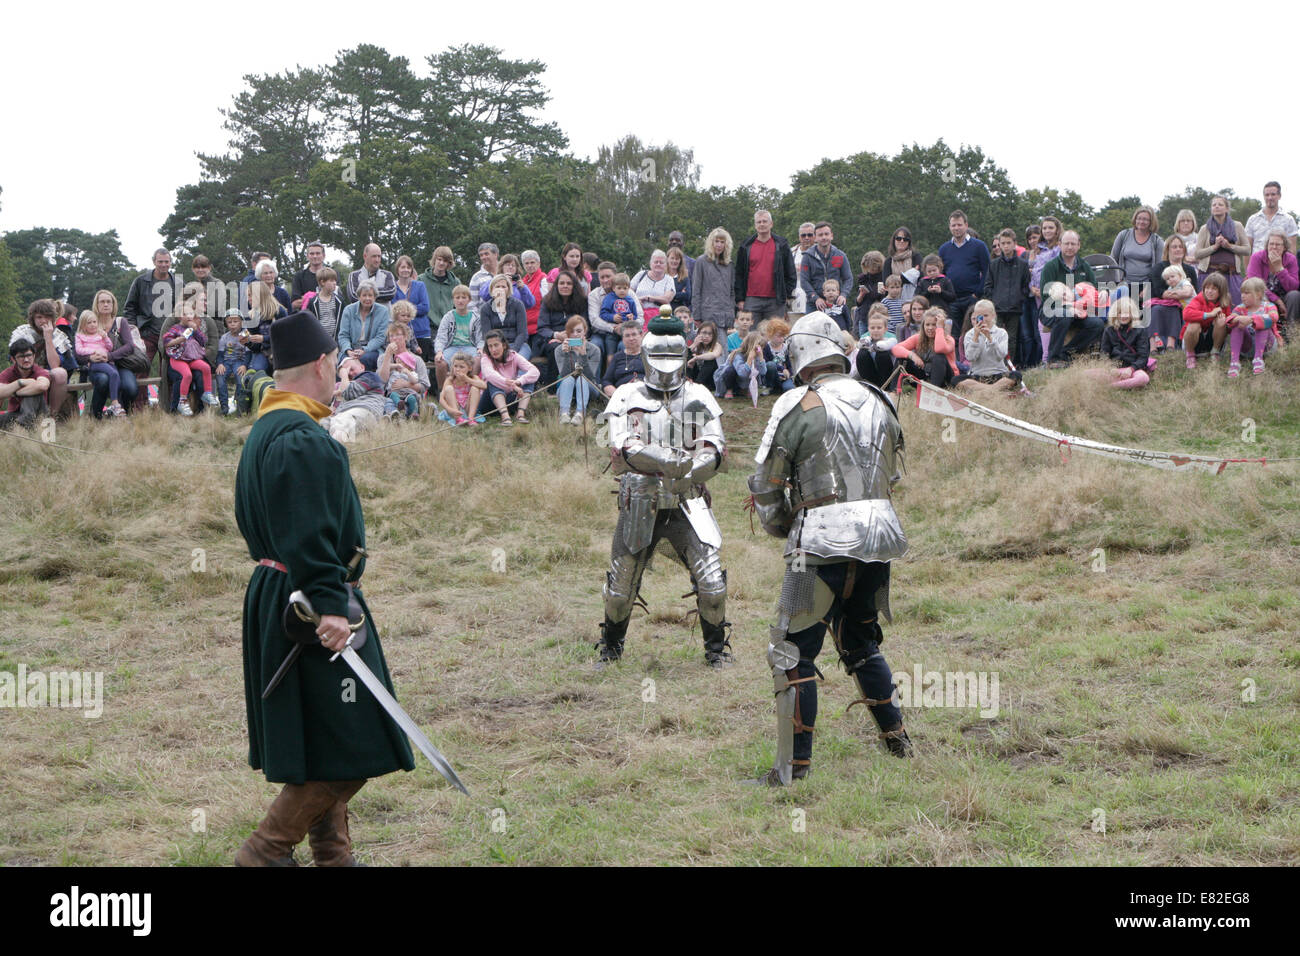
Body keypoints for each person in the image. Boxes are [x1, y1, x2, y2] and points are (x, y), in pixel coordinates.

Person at [234, 311, 415, 865]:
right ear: (320, 363)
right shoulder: (300, 440)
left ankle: (334, 856)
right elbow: (309, 534)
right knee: (357, 735)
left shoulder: (268, 427)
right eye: (335, 363)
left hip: (282, 593)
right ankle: (264, 854)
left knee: (324, 738)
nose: (336, 372)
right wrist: (333, 605)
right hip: (309, 606)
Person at [747, 311, 911, 787]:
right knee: (860, 640)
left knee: (791, 651)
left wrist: (781, 526)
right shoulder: (880, 398)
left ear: (800, 355)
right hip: (879, 539)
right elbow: (893, 476)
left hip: (815, 546)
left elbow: (765, 484)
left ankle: (790, 771)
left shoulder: (797, 402)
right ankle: (898, 743)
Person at [595, 315, 730, 668]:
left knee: (713, 583)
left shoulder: (698, 394)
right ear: (646, 357)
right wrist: (671, 461)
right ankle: (611, 647)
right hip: (640, 500)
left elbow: (716, 447)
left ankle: (716, 651)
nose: (667, 368)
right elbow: (623, 446)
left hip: (689, 501)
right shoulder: (627, 394)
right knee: (621, 587)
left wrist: (693, 467)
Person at [1040, 231, 1103, 365]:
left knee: (1096, 324)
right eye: (1066, 243)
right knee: (1065, 315)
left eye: (1073, 244)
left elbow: (1094, 289)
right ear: (1059, 245)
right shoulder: (1050, 267)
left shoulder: (1084, 266)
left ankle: (1066, 353)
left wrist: (1101, 295)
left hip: (1080, 311)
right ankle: (1053, 359)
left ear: (1079, 245)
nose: (1069, 247)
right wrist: (1068, 307)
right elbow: (1046, 297)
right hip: (1051, 310)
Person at [10, 299, 76, 419]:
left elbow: (55, 365)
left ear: (52, 318)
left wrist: (48, 338)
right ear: (33, 319)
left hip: (47, 374)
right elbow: (16, 362)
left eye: (47, 317)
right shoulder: (22, 333)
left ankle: (52, 416)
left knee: (61, 373)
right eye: (39, 317)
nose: (43, 321)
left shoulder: (58, 335)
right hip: (25, 374)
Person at [123, 248, 184, 377]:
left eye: (166, 262)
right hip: (146, 332)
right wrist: (133, 331)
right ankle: (141, 398)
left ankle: (168, 398)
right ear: (154, 262)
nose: (163, 265)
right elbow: (129, 308)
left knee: (170, 372)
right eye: (160, 261)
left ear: (171, 263)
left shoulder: (178, 283)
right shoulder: (140, 281)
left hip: (171, 334)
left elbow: (186, 309)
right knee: (141, 368)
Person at [83, 289, 144, 417]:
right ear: (96, 305)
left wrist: (110, 356)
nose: (105, 304)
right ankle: (96, 416)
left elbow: (129, 346)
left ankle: (122, 415)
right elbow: (78, 348)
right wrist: (90, 357)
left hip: (121, 364)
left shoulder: (121, 322)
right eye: (102, 302)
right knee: (103, 380)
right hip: (98, 366)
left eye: (108, 302)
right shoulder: (90, 322)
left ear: (113, 304)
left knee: (131, 388)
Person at [734, 209, 797, 321]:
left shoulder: (781, 245)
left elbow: (790, 272)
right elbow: (739, 274)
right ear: (755, 225)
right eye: (759, 222)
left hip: (776, 300)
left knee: (774, 336)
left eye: (765, 221)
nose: (762, 224)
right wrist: (740, 299)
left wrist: (786, 294)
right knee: (752, 336)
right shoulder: (745, 246)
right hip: (751, 299)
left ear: (771, 224)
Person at [983, 228, 1031, 368]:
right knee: (995, 336)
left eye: (1008, 243)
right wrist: (994, 300)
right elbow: (988, 285)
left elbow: (1026, 285)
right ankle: (995, 365)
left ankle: (1010, 365)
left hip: (1015, 308)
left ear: (1014, 243)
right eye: (1003, 243)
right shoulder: (994, 264)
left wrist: (1019, 298)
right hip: (997, 308)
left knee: (1012, 339)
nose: (1005, 246)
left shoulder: (1022, 264)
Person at [162, 300, 219, 415]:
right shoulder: (175, 328)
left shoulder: (193, 329)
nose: (188, 316)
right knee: (187, 375)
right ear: (179, 316)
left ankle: (207, 393)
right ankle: (182, 401)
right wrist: (180, 339)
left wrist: (196, 330)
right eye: (185, 314)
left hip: (191, 358)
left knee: (206, 367)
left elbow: (203, 341)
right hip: (178, 359)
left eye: (190, 314)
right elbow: (166, 341)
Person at [954, 300, 1021, 397]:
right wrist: (975, 337)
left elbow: (1001, 355)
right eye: (980, 316)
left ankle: (983, 392)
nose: (983, 319)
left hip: (998, 373)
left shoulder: (1001, 332)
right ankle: (994, 391)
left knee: (1016, 375)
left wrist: (990, 338)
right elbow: (970, 357)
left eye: (986, 316)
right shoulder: (970, 334)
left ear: (993, 315)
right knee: (956, 380)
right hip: (978, 375)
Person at [938, 210, 990, 332]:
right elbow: (941, 274)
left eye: (959, 224)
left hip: (972, 298)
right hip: (952, 300)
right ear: (949, 227)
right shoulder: (944, 249)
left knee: (975, 331)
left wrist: (977, 293)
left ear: (966, 225)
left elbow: (987, 270)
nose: (957, 228)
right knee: (953, 334)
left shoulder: (979, 246)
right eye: (953, 225)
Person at [1147, 236, 1198, 354]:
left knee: (1176, 310)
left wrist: (1174, 294)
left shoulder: (1189, 270)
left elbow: (1194, 291)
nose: (1178, 249)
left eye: (1180, 247)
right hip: (1163, 305)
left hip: (1186, 306)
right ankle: (1155, 345)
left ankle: (1173, 345)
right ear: (1167, 250)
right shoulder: (1159, 268)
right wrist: (1182, 294)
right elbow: (1159, 292)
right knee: (1157, 309)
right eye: (1174, 247)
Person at [1194, 196, 1249, 304]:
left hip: (1231, 275)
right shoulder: (1205, 229)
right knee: (1207, 306)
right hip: (1208, 274)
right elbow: (1197, 254)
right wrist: (1214, 247)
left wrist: (1229, 246)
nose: (1216, 207)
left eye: (1220, 204)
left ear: (1227, 209)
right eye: (1214, 205)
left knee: (1233, 305)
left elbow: (1247, 250)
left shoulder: (1237, 226)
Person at [1088, 298, 1151, 389]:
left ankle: (1111, 387)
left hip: (1133, 370)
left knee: (1143, 378)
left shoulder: (1140, 330)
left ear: (1132, 314)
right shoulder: (1109, 330)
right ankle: (1124, 383)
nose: (1123, 316)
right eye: (1120, 313)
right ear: (1115, 314)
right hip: (1113, 371)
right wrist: (1110, 368)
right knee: (1085, 374)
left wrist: (1131, 369)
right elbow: (1104, 354)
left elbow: (1143, 357)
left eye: (1127, 313)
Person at [1245, 231, 1300, 335]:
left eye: (1278, 244)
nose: (1274, 247)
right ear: (1267, 245)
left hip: (1285, 296)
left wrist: (1280, 269)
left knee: (1295, 295)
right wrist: (1277, 301)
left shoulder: (1291, 259)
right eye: (1271, 244)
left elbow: (1294, 286)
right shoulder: (1257, 257)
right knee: (1260, 295)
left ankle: (1291, 333)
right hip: (1263, 295)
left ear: (1284, 247)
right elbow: (1255, 285)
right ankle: (1264, 333)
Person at [479, 328, 538, 425]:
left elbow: (535, 371)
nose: (493, 350)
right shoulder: (485, 358)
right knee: (492, 382)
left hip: (510, 399)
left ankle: (520, 414)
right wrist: (513, 386)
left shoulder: (514, 356)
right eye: (490, 346)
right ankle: (505, 417)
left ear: (504, 345)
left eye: (496, 345)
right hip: (489, 403)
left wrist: (519, 381)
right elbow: (490, 375)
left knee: (529, 380)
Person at [535, 270, 588, 379]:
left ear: (574, 286)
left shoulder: (582, 301)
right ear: (556, 285)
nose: (565, 286)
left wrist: (571, 337)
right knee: (555, 347)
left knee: (584, 346)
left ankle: (582, 381)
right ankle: (552, 387)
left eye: (569, 283)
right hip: (552, 338)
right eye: (562, 283)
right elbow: (542, 327)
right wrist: (556, 335)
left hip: (576, 337)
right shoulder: (547, 301)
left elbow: (586, 325)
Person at [74, 310, 126, 417]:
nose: (93, 325)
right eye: (89, 323)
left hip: (107, 361)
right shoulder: (80, 336)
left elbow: (110, 347)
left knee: (117, 378)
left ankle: (116, 408)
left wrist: (105, 337)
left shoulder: (100, 334)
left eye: (94, 322)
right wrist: (94, 352)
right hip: (96, 363)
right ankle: (115, 403)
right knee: (114, 374)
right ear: (83, 325)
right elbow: (79, 350)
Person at [891, 306, 957, 387]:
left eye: (934, 325)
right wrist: (912, 355)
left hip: (946, 378)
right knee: (901, 358)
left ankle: (933, 391)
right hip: (924, 375)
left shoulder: (949, 339)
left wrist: (940, 328)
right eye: (927, 325)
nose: (930, 328)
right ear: (923, 326)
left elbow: (940, 349)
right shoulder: (917, 338)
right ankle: (894, 391)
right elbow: (895, 348)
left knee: (939, 357)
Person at [590, 262, 642, 363]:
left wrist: (628, 323)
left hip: (625, 331)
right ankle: (594, 379)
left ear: (615, 276)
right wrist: (613, 328)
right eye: (602, 277)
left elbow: (640, 316)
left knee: (624, 345)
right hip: (601, 332)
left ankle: (625, 377)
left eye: (608, 276)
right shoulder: (594, 295)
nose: (605, 280)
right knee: (595, 345)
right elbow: (594, 320)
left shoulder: (629, 293)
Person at [433, 284, 482, 392]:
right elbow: (441, 337)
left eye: (464, 298)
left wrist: (480, 348)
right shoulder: (448, 316)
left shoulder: (476, 317)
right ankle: (443, 390)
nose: (460, 301)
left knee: (478, 359)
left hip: (470, 346)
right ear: (453, 300)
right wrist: (439, 351)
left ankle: (469, 389)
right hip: (452, 347)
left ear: (469, 300)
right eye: (457, 297)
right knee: (440, 361)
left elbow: (480, 337)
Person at [554, 314, 601, 425]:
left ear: (585, 331)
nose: (575, 335)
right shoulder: (559, 350)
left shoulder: (594, 350)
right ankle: (564, 414)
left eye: (579, 331)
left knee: (581, 379)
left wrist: (583, 354)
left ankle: (580, 413)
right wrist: (566, 355)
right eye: (572, 331)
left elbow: (590, 377)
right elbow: (564, 375)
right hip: (566, 387)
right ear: (567, 333)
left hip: (589, 387)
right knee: (568, 379)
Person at [1226, 277, 1279, 377]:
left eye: (1247, 293)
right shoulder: (1240, 308)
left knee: (1263, 321)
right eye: (1242, 293)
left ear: (1258, 294)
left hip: (1267, 346)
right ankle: (1234, 362)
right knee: (1238, 325)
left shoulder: (1268, 306)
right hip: (1248, 347)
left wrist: (1251, 319)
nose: (1242, 296)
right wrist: (1238, 319)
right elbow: (1229, 321)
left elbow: (1274, 317)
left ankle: (1258, 359)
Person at [799, 221, 854, 314]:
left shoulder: (840, 255)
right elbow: (804, 281)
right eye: (820, 235)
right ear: (815, 238)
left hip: (837, 302)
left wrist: (844, 294)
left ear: (831, 236)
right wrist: (815, 298)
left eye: (826, 234)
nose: (824, 237)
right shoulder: (807, 257)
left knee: (842, 328)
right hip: (815, 304)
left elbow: (848, 278)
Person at [337, 279, 391, 372]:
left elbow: (380, 337)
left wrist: (364, 349)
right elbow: (343, 335)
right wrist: (348, 350)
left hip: (372, 350)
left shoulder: (383, 311)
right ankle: (343, 386)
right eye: (364, 295)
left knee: (364, 359)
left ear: (375, 297)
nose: (367, 298)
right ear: (358, 297)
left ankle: (364, 384)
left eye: (370, 295)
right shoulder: (348, 310)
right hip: (351, 349)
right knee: (344, 362)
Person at [1110, 206, 1164, 294]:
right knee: (1121, 307)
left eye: (1146, 219)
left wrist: (1149, 287)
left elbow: (1159, 268)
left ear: (1151, 222)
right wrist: (1116, 280)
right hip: (1123, 283)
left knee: (1142, 307)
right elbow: (1112, 259)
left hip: (1146, 285)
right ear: (1135, 219)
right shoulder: (1124, 235)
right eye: (1139, 218)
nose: (1141, 222)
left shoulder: (1157, 241)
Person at [691, 228, 736, 332]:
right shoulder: (701, 261)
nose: (719, 245)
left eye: (722, 242)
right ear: (711, 242)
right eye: (716, 241)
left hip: (725, 316)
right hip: (707, 315)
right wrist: (696, 315)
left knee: (722, 347)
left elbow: (731, 292)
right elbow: (696, 290)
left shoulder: (729, 264)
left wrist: (731, 314)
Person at [379, 323, 428, 419]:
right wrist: (388, 355)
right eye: (391, 336)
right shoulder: (383, 358)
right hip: (391, 396)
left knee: (413, 400)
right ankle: (395, 416)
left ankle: (411, 414)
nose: (394, 338)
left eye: (398, 335)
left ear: (405, 337)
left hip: (410, 394)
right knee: (388, 402)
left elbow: (424, 386)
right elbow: (382, 381)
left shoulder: (416, 360)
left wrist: (406, 384)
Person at [0, 337, 51, 429]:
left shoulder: (39, 371)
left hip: (38, 416)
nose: (26, 359)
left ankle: (23, 426)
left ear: (34, 356)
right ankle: (20, 427)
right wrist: (20, 382)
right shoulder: (8, 373)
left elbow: (42, 386)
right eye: (21, 356)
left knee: (34, 390)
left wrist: (15, 393)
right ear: (13, 359)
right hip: (14, 414)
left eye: (29, 355)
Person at [1182, 272, 1230, 368]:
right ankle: (1190, 355)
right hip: (1195, 342)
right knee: (1193, 324)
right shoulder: (1199, 299)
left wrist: (1229, 319)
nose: (1209, 291)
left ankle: (1215, 352)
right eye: (1207, 288)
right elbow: (1186, 314)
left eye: (1214, 289)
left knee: (1222, 320)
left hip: (1212, 340)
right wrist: (1209, 315)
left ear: (1221, 291)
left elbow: (1229, 323)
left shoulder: (1225, 301)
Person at [478, 275, 529, 357]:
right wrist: (499, 350)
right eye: (497, 286)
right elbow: (487, 334)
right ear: (492, 289)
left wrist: (513, 351)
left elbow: (522, 333)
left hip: (518, 345)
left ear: (508, 289)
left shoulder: (518, 305)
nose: (500, 289)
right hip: (496, 347)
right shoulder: (485, 309)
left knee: (518, 363)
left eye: (503, 287)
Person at [391, 255, 431, 357]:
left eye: (408, 268)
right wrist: (414, 308)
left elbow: (425, 307)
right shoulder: (392, 288)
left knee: (421, 362)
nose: (406, 270)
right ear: (397, 269)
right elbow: (393, 311)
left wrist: (403, 311)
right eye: (403, 267)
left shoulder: (420, 285)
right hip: (400, 333)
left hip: (421, 332)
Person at [1244, 181, 1298, 255]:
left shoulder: (1289, 220)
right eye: (1267, 195)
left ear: (1279, 196)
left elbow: (1292, 250)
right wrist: (1249, 266)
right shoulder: (1252, 220)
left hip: (1280, 264)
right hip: (1257, 264)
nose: (1270, 197)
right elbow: (1247, 249)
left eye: (1273, 194)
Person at [216, 309, 252, 415]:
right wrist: (220, 364)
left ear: (241, 322)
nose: (232, 325)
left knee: (240, 379)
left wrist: (245, 365)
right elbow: (220, 354)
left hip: (239, 362)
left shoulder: (245, 335)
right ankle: (224, 406)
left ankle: (239, 406)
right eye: (229, 322)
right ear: (226, 324)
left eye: (235, 321)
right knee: (220, 377)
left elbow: (249, 353)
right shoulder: (224, 337)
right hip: (226, 361)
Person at [437, 353, 487, 426]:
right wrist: (450, 410)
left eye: (461, 367)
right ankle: (458, 419)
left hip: (468, 408)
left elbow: (484, 386)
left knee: (475, 388)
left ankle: (471, 419)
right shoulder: (450, 380)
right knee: (448, 388)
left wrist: (467, 379)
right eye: (455, 366)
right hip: (455, 408)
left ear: (469, 368)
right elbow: (441, 399)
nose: (457, 369)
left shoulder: (473, 377)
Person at [714, 330, 767, 400]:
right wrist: (749, 359)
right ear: (751, 346)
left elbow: (763, 372)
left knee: (754, 370)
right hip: (728, 380)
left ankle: (743, 389)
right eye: (760, 347)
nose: (761, 350)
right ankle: (729, 390)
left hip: (741, 381)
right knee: (730, 370)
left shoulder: (757, 355)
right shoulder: (738, 355)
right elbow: (742, 373)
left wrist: (761, 358)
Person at [855, 306, 898, 389]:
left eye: (879, 328)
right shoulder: (866, 338)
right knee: (862, 353)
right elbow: (859, 345)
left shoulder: (891, 339)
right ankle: (869, 384)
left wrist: (874, 346)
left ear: (885, 329)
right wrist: (868, 340)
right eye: (872, 328)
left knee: (882, 354)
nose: (875, 330)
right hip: (871, 371)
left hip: (886, 373)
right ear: (868, 329)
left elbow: (883, 346)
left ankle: (886, 387)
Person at [419, 247, 461, 329]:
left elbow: (459, 306)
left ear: (449, 263)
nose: (441, 263)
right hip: (427, 327)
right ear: (434, 260)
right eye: (439, 259)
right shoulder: (421, 280)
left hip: (449, 327)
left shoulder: (455, 282)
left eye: (445, 261)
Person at [602, 321, 646, 397]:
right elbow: (606, 381)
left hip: (644, 394)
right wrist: (616, 394)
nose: (631, 338)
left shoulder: (649, 355)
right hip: (622, 397)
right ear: (623, 338)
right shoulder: (617, 357)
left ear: (641, 335)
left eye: (634, 334)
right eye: (627, 335)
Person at [881, 226, 922, 302]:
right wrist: (910, 275)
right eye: (898, 238)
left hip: (914, 300)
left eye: (905, 239)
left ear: (909, 242)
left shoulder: (916, 257)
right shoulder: (888, 261)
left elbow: (920, 277)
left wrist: (897, 279)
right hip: (894, 301)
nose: (902, 241)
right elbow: (887, 283)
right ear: (894, 240)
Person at [788, 222, 816, 318]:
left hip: (816, 289)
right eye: (803, 235)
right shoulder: (791, 253)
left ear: (815, 236)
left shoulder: (820, 252)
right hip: (796, 290)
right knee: (800, 293)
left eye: (810, 235)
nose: (806, 238)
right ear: (799, 237)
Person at [306, 268, 343, 340]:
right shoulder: (313, 302)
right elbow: (309, 324)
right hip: (319, 342)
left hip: (336, 340)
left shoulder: (339, 301)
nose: (335, 283)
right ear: (322, 282)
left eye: (335, 280)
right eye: (332, 280)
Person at [686, 320, 724, 387]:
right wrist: (694, 345)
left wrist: (697, 357)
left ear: (714, 335)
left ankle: (697, 385)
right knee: (689, 353)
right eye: (704, 333)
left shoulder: (717, 345)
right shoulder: (696, 344)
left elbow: (713, 355)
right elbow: (684, 354)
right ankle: (688, 380)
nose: (706, 336)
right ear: (698, 334)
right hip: (697, 375)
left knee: (710, 359)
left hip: (711, 379)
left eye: (710, 334)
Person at [291, 242, 327, 310]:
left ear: (324, 255)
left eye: (318, 253)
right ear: (307, 256)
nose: (315, 256)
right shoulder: (299, 276)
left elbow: (336, 298)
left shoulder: (331, 274)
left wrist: (306, 297)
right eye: (312, 254)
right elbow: (294, 303)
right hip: (306, 316)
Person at [666, 247, 692, 312]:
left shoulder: (684, 277)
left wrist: (668, 296)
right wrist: (679, 294)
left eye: (677, 259)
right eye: (672, 258)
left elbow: (687, 296)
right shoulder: (662, 276)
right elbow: (659, 294)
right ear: (667, 259)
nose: (674, 261)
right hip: (664, 312)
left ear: (680, 261)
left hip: (679, 313)